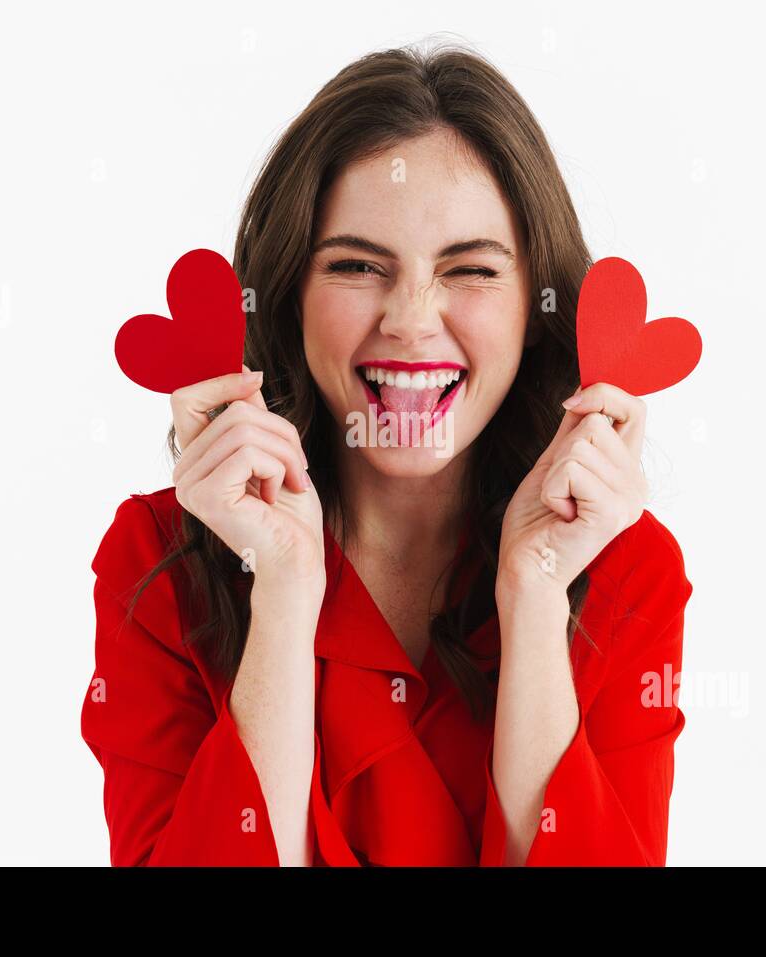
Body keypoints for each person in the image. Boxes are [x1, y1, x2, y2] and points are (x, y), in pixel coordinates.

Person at [80, 41, 693, 866]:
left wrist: (538, 596)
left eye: (470, 269)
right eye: (358, 264)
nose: (410, 318)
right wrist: (287, 590)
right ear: (291, 290)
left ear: (535, 310)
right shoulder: (159, 562)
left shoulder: (629, 573)